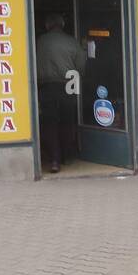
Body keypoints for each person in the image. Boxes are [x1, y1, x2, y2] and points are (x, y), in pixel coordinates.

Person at [36, 12, 86, 173]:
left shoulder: (39, 42)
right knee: (67, 122)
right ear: (63, 25)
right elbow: (81, 66)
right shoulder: (71, 42)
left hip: (46, 87)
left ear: (47, 26)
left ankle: (54, 160)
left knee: (49, 123)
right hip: (68, 86)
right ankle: (67, 155)